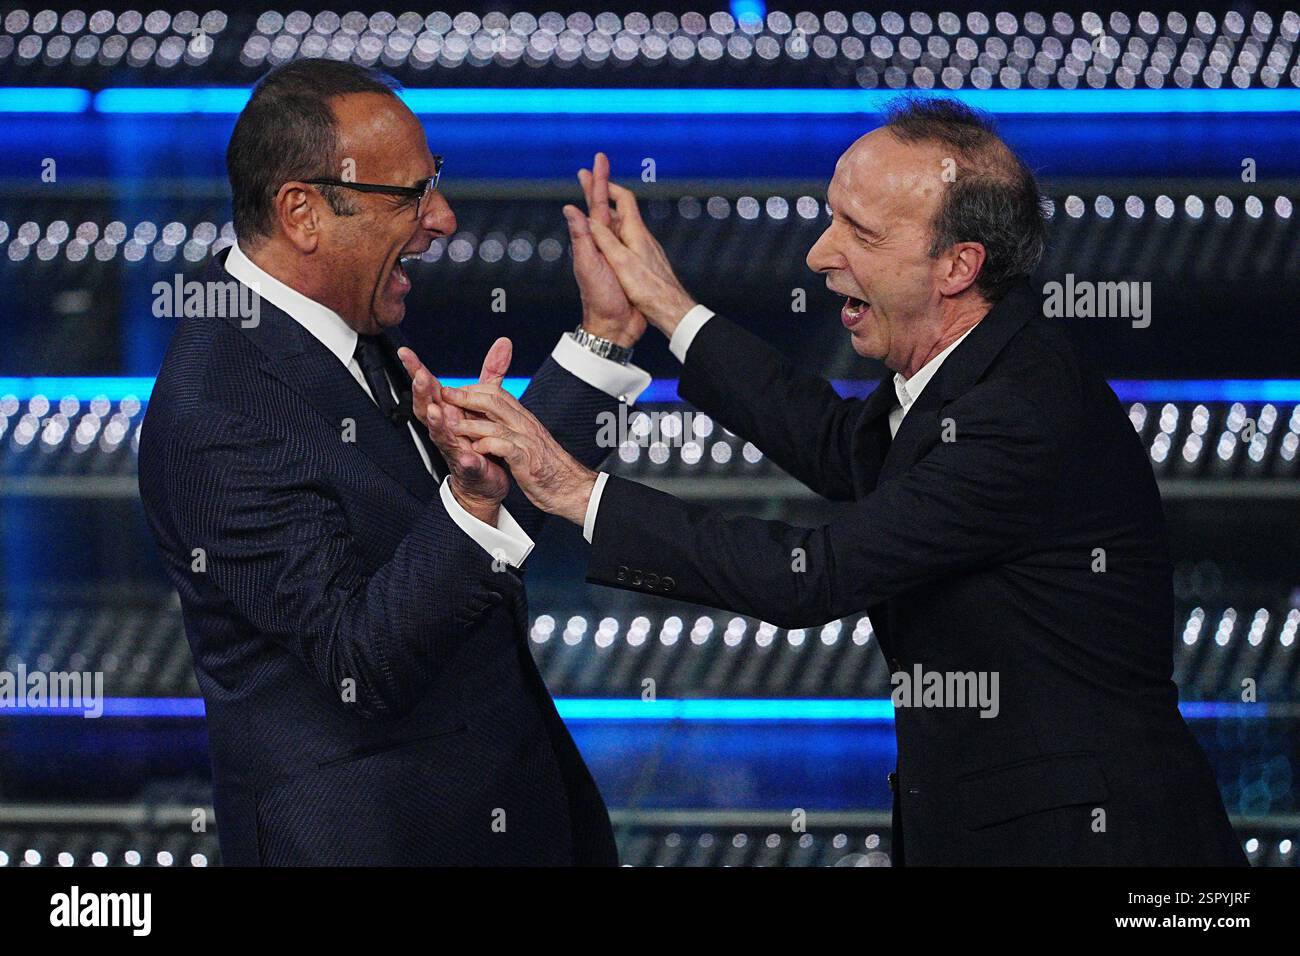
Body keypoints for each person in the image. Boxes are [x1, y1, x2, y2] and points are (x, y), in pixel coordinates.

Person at [436, 98, 1248, 866]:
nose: (819, 255)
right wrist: (668, 306)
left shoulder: (1019, 410)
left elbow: (811, 578)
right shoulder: (972, 368)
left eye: (857, 231)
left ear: (958, 265)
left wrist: (572, 489)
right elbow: (835, 443)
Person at [138, 59, 651, 865]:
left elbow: (455, 541)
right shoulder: (219, 413)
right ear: (303, 212)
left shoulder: (332, 326)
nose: (441, 218)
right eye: (409, 195)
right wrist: (469, 507)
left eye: (433, 182)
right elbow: (360, 660)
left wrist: (605, 336)